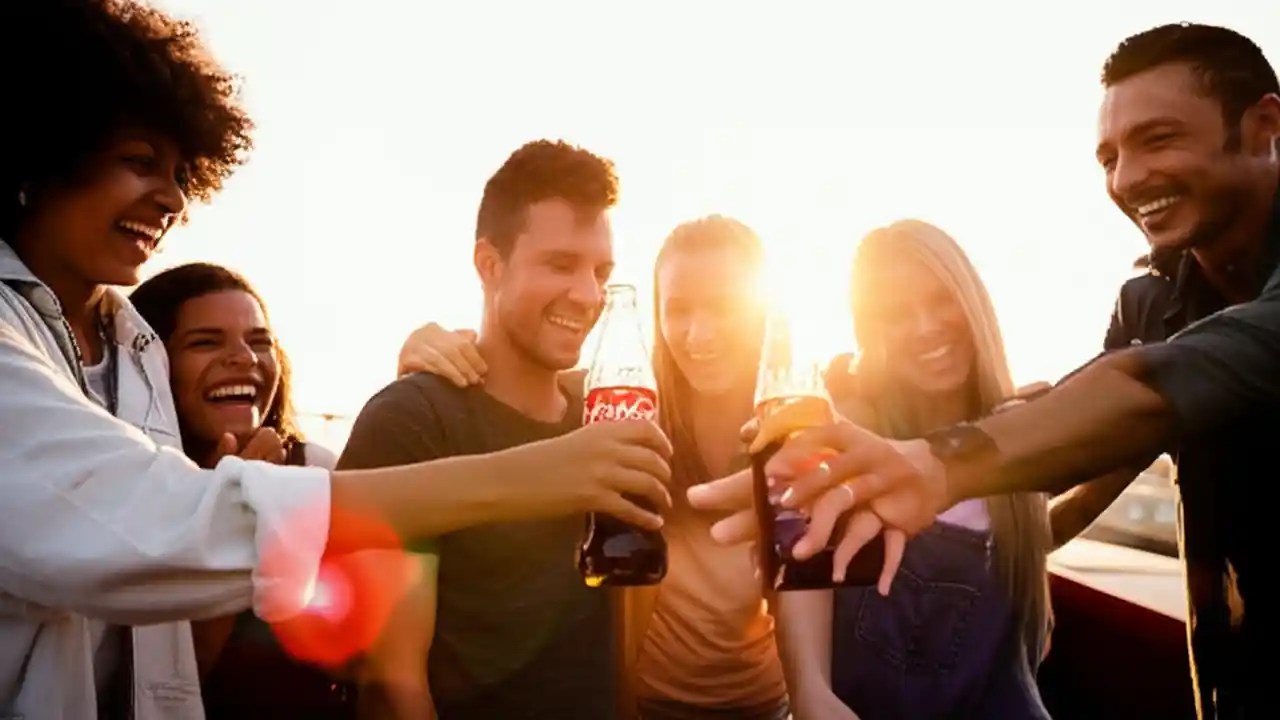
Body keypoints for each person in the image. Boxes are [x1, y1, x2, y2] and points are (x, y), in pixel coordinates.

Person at [0, 3, 670, 717]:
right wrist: (538, 473)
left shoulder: (132, 346)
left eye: (179, 171)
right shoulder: (415, 419)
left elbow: (166, 626)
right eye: (139, 163)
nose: (171, 197)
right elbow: (169, 524)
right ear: (44, 150)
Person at [694, 23, 1280, 720]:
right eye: (1109, 157)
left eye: (1160, 139)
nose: (1127, 179)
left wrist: (936, 464)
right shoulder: (1151, 304)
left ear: (1263, 128)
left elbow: (1144, 389)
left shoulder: (1170, 344)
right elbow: (1087, 442)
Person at [399, 215, 795, 719]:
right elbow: (509, 395)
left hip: (767, 706)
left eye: (724, 307)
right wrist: (423, 349)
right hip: (644, 706)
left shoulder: (791, 424)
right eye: (678, 310)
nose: (699, 334)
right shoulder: (619, 406)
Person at [337, 139, 663, 720]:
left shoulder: (606, 415)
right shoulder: (412, 422)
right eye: (560, 265)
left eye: (601, 272)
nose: (588, 294)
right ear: (490, 265)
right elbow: (392, 686)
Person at [779, 220, 1051, 720]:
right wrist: (810, 690)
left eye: (941, 299)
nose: (926, 326)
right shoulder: (849, 436)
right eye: (898, 314)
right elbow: (804, 572)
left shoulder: (1020, 440)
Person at [129, 262, 354, 718]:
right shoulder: (126, 490)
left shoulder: (316, 472)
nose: (245, 358)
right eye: (205, 342)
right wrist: (234, 509)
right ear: (152, 365)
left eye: (259, 342)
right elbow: (169, 687)